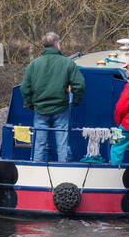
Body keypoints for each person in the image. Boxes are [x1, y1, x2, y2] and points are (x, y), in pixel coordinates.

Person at [20, 32, 84, 162]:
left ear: (44, 46)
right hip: (61, 110)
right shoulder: (68, 63)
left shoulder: (33, 65)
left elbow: (24, 88)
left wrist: (31, 104)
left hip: (40, 110)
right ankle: (63, 173)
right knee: (62, 145)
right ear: (58, 45)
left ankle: (37, 172)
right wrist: (75, 102)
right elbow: (80, 85)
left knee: (39, 145)